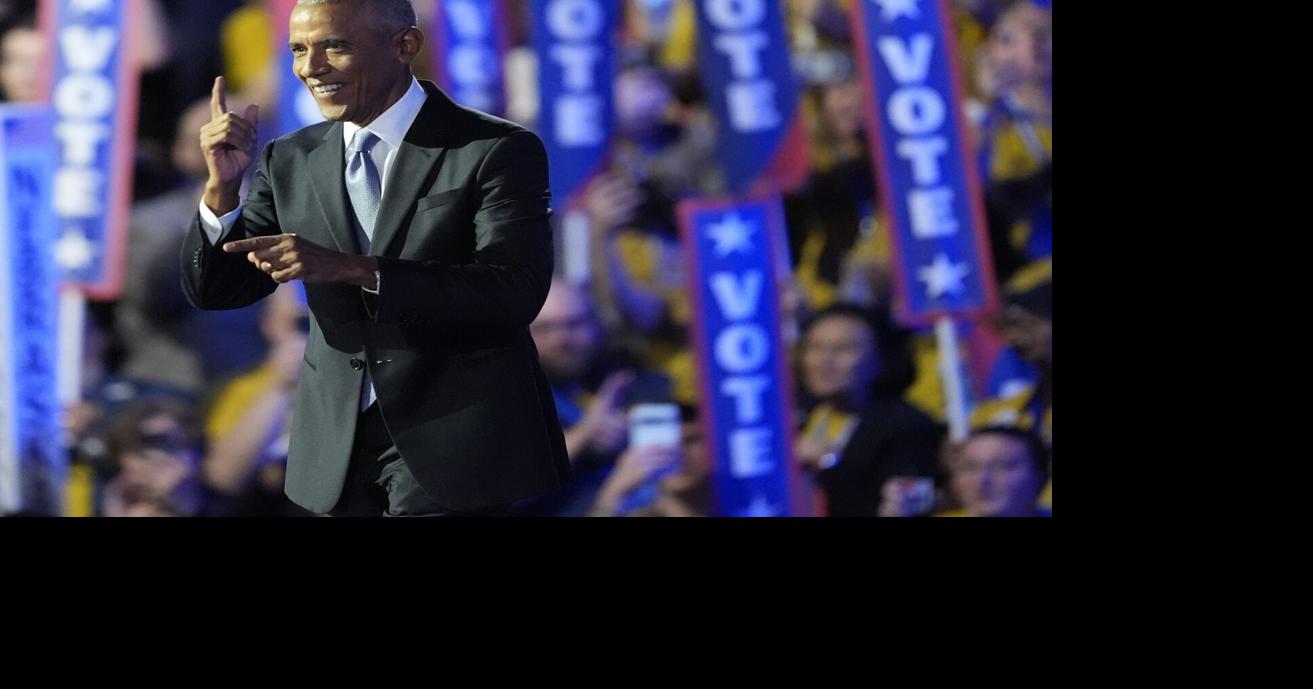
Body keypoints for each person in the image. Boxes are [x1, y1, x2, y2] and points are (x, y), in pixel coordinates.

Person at [180, 0, 568, 516]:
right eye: (298, 49)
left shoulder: (493, 148)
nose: (310, 68)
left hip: (456, 440)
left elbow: (513, 290)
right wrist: (222, 190)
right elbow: (219, 289)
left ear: (405, 46)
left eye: (334, 46)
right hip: (334, 449)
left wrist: (353, 269)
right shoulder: (288, 157)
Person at [792, 303, 944, 516]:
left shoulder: (908, 427)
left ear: (879, 360)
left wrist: (826, 463)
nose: (824, 360)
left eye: (842, 349)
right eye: (814, 348)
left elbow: (886, 507)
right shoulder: (799, 417)